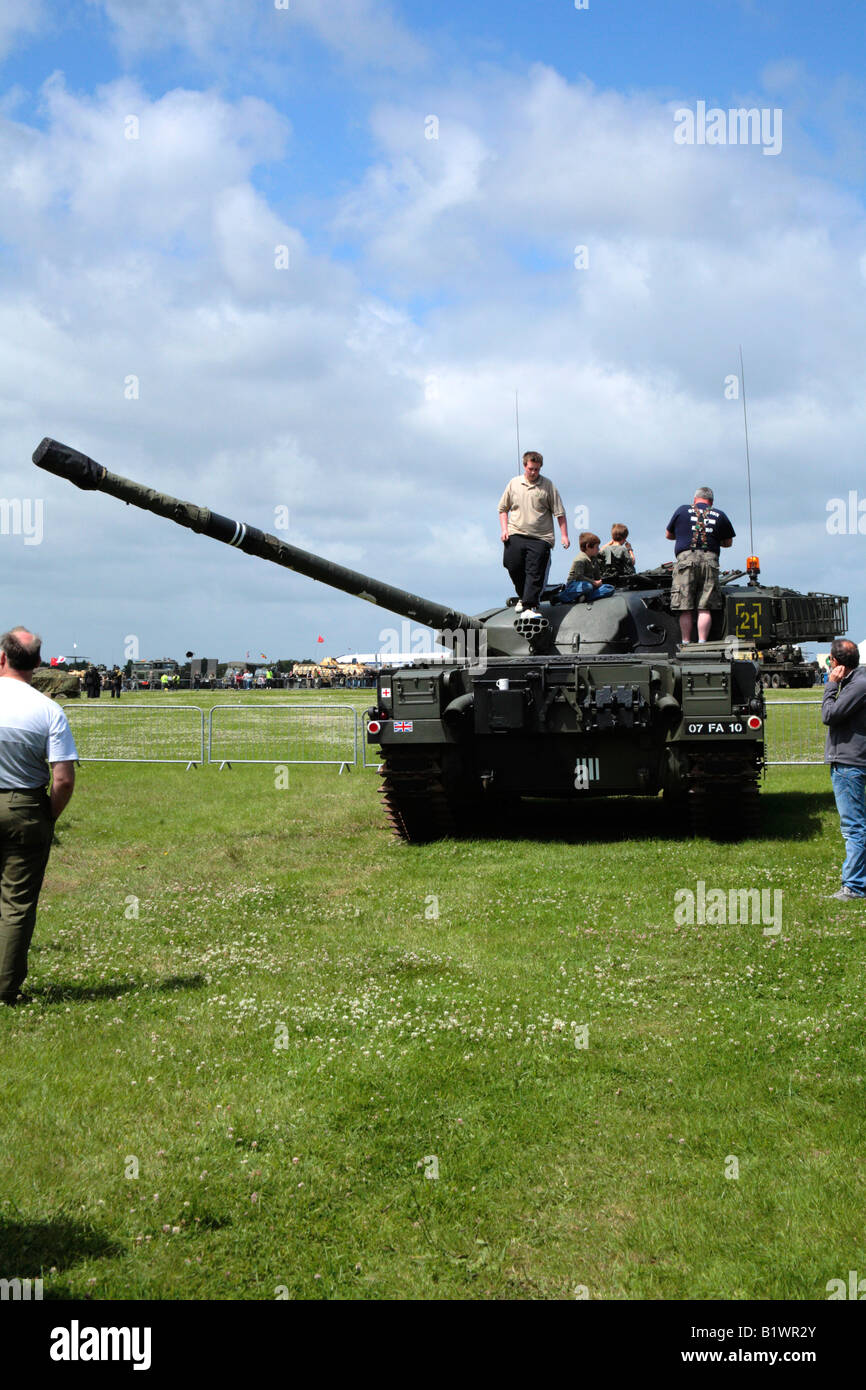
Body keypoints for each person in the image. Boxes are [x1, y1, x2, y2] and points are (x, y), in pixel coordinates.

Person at [0, 627, 77, 1005]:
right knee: (16, 903)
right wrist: (47, 815)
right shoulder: (49, 710)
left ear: (1, 658)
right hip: (25, 807)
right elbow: (62, 779)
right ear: (37, 664)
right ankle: (5, 989)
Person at [498, 451, 570, 618]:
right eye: (531, 469)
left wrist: (564, 535)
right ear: (525, 466)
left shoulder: (548, 486)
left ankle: (530, 606)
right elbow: (502, 509)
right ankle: (524, 597)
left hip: (541, 537)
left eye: (537, 469)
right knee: (512, 564)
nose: (533, 472)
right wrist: (504, 529)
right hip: (516, 532)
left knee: (534, 571)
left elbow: (559, 513)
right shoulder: (514, 483)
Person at [822, 638, 866, 900]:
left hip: (850, 763)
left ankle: (854, 886)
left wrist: (830, 686)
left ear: (835, 662)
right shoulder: (857, 682)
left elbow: (829, 715)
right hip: (853, 760)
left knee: (854, 828)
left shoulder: (857, 685)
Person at [665, 487, 735, 643]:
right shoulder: (720, 515)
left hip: (685, 561)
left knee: (685, 607)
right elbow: (728, 542)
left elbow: (669, 535)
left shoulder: (682, 510)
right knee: (705, 607)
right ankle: (702, 642)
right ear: (711, 501)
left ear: (695, 499)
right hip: (710, 561)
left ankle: (686, 642)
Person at [558, 532, 615, 604]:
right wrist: (594, 582)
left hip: (591, 585)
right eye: (596, 547)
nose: (598, 549)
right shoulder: (580, 559)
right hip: (576, 584)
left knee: (609, 588)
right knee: (587, 586)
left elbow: (597, 577)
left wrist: (599, 582)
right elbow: (579, 576)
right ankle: (561, 597)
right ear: (588, 546)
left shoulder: (594, 559)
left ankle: (585, 598)